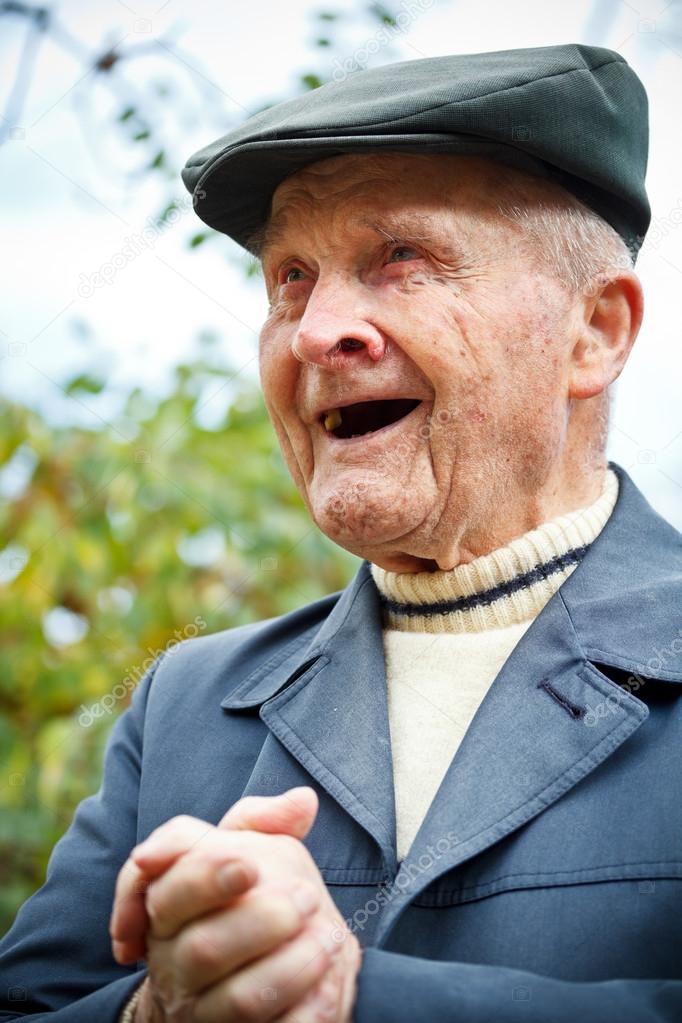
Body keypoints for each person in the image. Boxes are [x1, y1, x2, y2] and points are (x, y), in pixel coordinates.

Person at [1, 42, 681, 1023]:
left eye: (401, 258)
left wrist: (354, 1000)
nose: (319, 331)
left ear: (595, 332)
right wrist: (153, 1011)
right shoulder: (185, 706)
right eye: (290, 277)